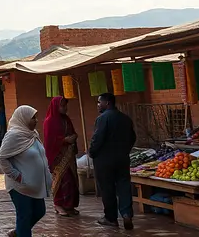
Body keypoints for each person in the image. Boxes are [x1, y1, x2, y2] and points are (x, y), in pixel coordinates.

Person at [0, 105, 52, 237]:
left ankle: (18, 231)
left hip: (33, 185)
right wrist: (16, 176)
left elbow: (40, 154)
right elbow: (1, 158)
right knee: (25, 215)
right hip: (20, 186)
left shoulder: (32, 134)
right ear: (23, 118)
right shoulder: (13, 135)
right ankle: (21, 232)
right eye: (33, 118)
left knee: (39, 211)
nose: (36, 120)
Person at [90, 93, 136, 230]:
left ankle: (111, 218)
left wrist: (92, 152)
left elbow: (97, 139)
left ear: (108, 103)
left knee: (107, 188)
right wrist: (124, 150)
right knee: (124, 185)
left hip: (104, 161)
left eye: (99, 102)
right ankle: (127, 214)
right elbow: (132, 137)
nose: (98, 105)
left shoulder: (103, 119)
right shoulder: (126, 118)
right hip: (122, 158)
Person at [43, 97, 79, 217]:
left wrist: (74, 137)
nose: (65, 108)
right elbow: (49, 141)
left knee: (71, 181)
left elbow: (72, 132)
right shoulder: (49, 121)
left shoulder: (66, 119)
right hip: (57, 156)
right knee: (61, 180)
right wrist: (63, 140)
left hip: (69, 155)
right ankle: (58, 205)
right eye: (62, 106)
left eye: (65, 106)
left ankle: (70, 205)